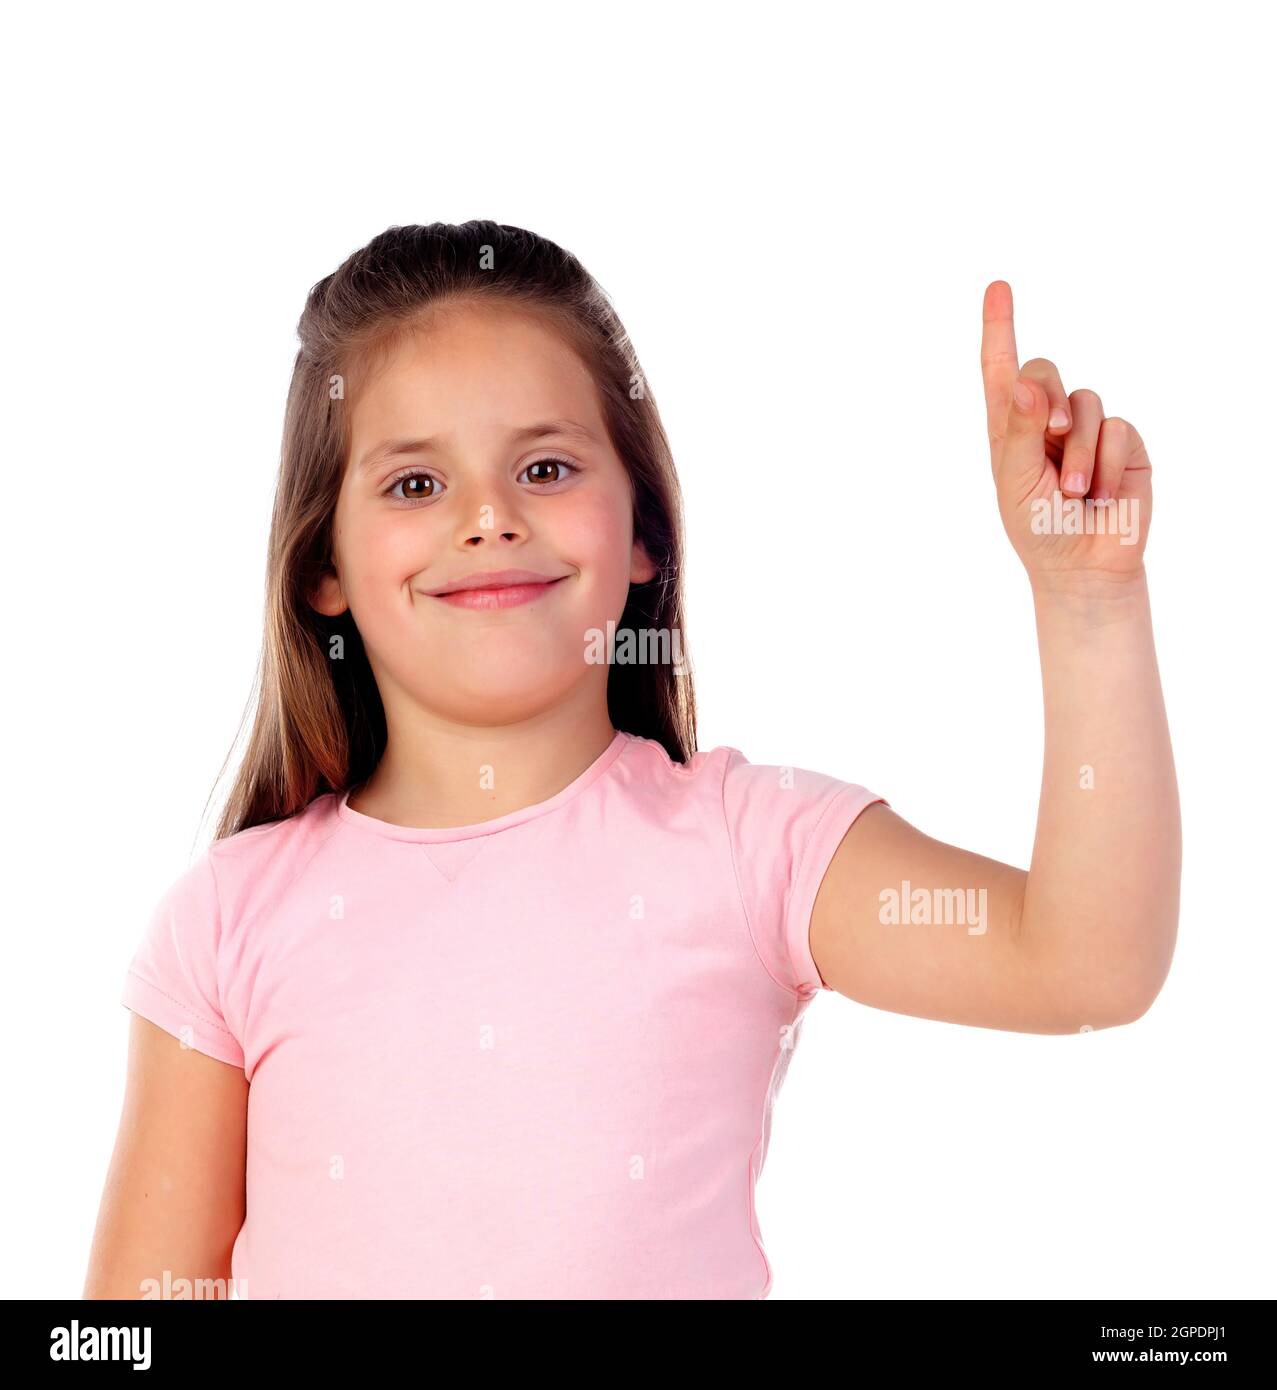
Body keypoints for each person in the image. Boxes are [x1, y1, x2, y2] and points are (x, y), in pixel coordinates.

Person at [83, 221, 1180, 1300]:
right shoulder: (226, 920)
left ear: (643, 531)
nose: (488, 518)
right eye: (415, 485)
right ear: (323, 562)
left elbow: (1081, 965)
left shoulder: (751, 849)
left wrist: (1087, 603)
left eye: (546, 467)